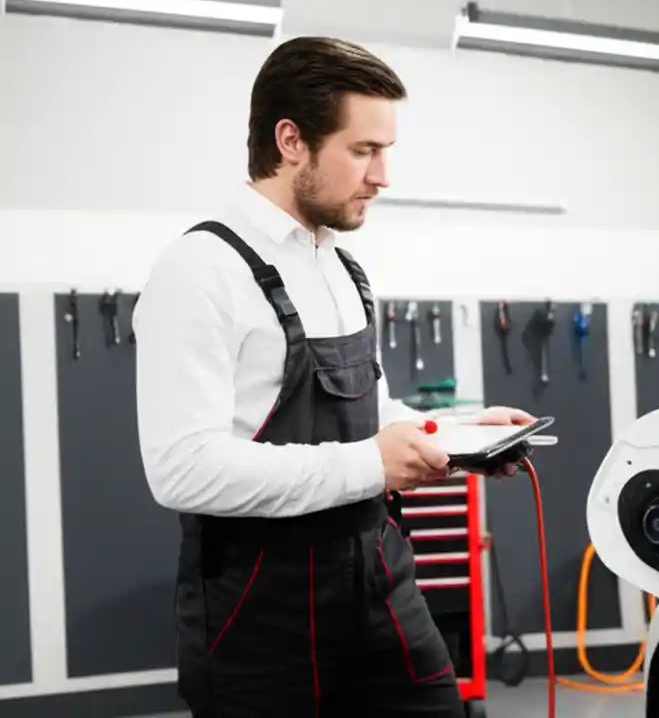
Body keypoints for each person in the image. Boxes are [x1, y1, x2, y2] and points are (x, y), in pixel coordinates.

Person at [133, 36, 533, 717]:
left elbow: (363, 410)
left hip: (379, 588)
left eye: (386, 152)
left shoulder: (340, 268)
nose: (383, 176)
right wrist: (370, 467)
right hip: (260, 617)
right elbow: (181, 468)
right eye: (363, 150)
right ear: (291, 141)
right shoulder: (200, 270)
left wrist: (458, 436)